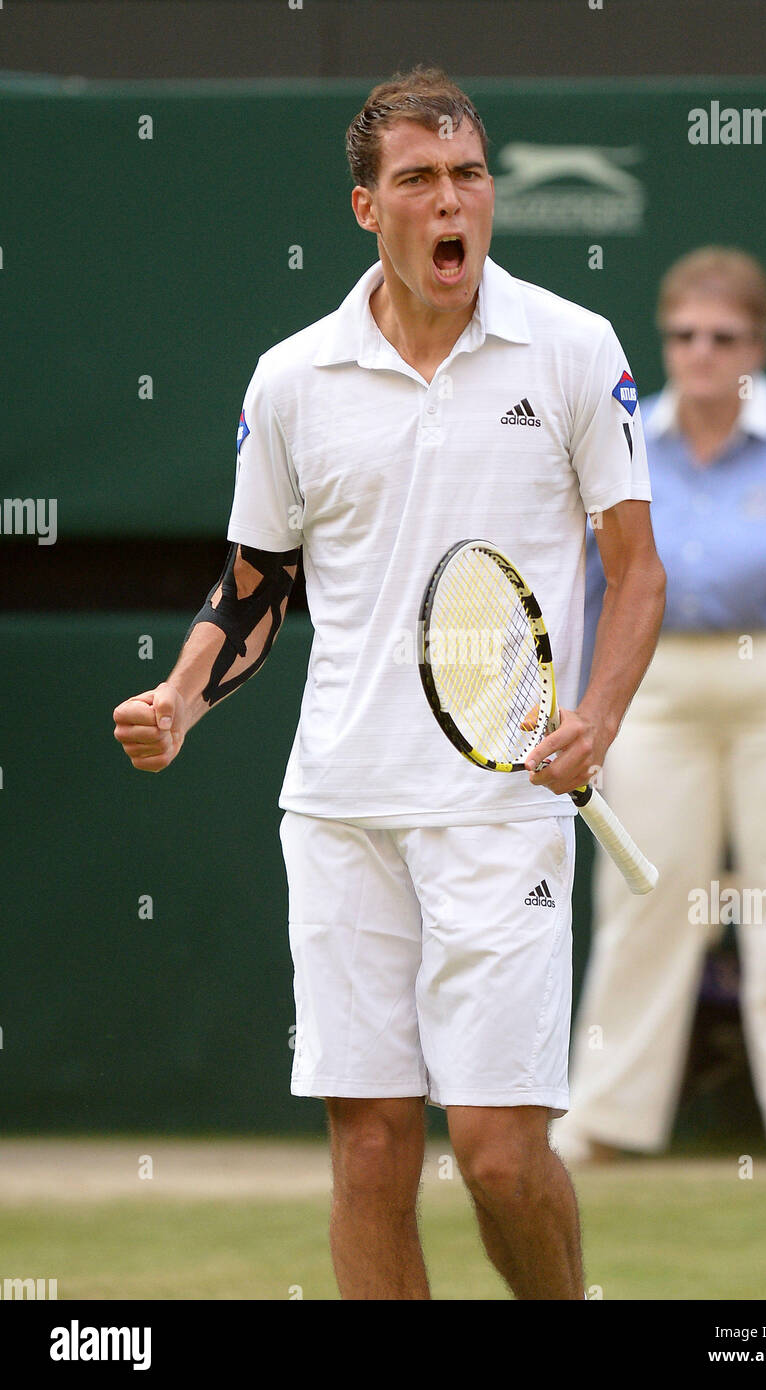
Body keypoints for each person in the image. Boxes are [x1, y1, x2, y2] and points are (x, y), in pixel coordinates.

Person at [112, 66, 665, 1299]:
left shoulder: (575, 350)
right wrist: (180, 699)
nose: (449, 198)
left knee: (498, 1154)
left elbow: (635, 573)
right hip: (342, 807)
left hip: (501, 809)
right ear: (368, 207)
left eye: (467, 173)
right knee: (369, 1151)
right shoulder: (291, 378)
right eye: (417, 179)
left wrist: (599, 714)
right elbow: (253, 586)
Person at [552, 247, 766, 1172]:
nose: (701, 353)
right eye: (683, 335)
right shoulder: (626, 437)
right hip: (653, 685)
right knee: (642, 894)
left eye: (723, 337)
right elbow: (592, 578)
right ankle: (606, 1122)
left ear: (759, 343)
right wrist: (579, 704)